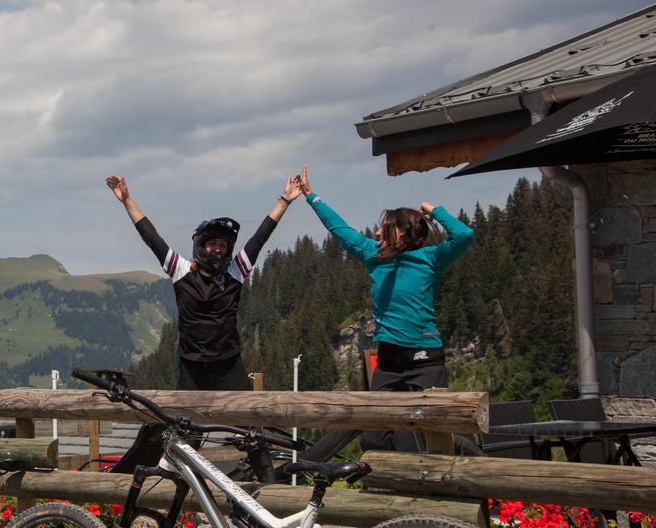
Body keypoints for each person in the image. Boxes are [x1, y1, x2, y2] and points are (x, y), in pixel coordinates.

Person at [295, 165, 474, 451]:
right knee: (374, 438)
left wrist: (434, 209)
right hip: (388, 362)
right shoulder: (373, 256)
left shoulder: (430, 258)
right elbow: (339, 229)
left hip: (425, 360)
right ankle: (383, 491)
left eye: (385, 227)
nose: (377, 231)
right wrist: (310, 195)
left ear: (404, 231)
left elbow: (463, 235)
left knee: (422, 439)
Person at [106, 173, 302, 393]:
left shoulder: (235, 271)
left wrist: (284, 201)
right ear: (201, 245)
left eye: (223, 245)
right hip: (192, 368)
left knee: (249, 423)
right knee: (185, 425)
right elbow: (151, 237)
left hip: (229, 366)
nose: (218, 249)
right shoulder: (180, 270)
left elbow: (261, 236)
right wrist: (126, 199)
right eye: (212, 243)